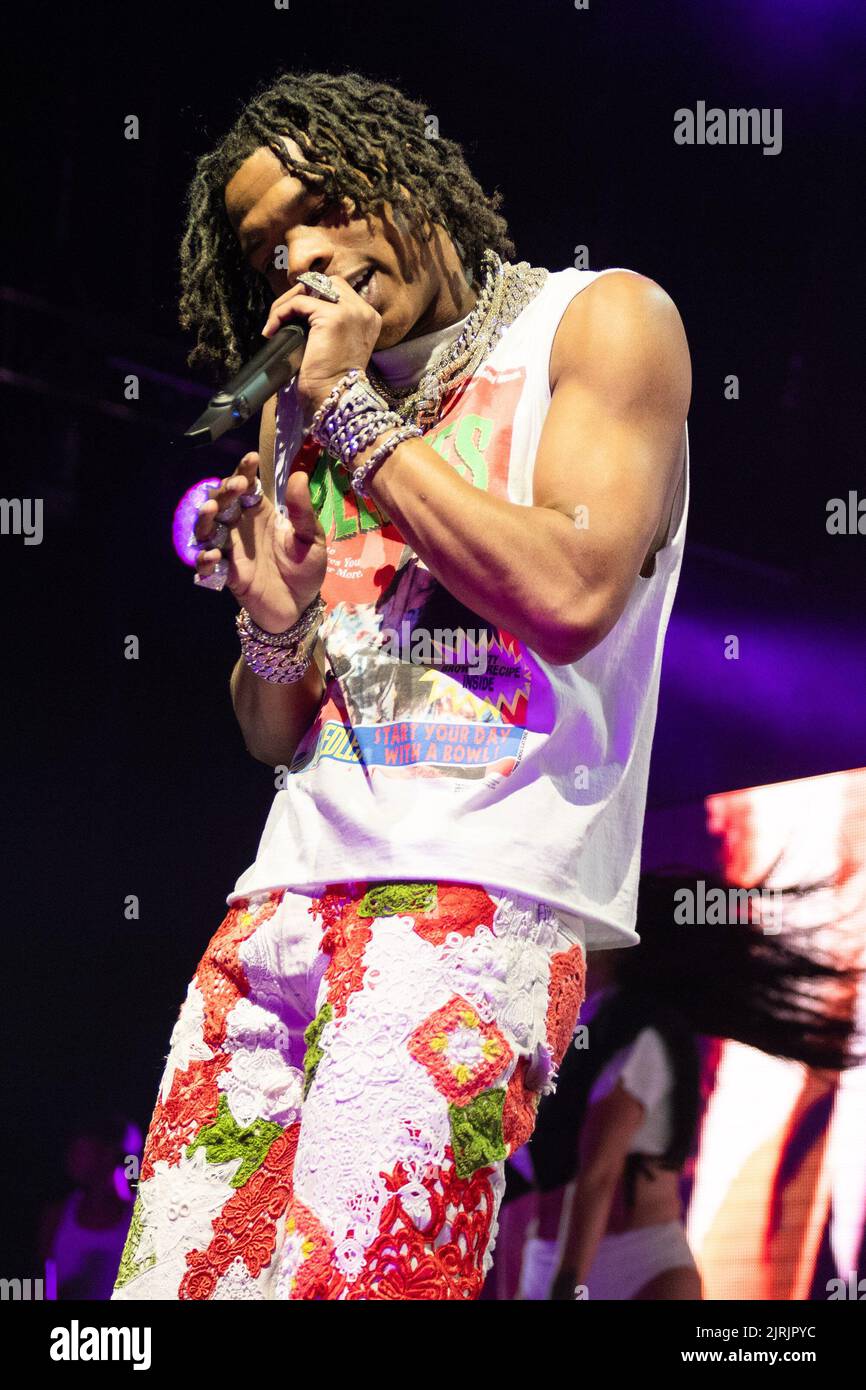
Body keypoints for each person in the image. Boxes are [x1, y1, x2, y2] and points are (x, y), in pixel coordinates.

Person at [112, 69, 691, 1301]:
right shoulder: (302, 420)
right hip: (276, 900)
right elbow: (277, 729)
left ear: (408, 176)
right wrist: (274, 629)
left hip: (470, 899)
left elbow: (573, 592)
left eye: (323, 205)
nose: (302, 254)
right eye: (269, 246)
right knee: (170, 1292)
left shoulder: (598, 322)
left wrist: (352, 417)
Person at [514, 871, 864, 1300]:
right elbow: (532, 1177)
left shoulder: (644, 1032)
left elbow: (599, 1172)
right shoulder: (581, 1032)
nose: (574, 947)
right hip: (552, 1259)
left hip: (637, 1265)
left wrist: (566, 1285)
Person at [38, 1111, 140, 1300]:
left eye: (81, 1151)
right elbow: (46, 1288)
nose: (71, 1157)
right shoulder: (57, 1214)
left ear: (107, 1154)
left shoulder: (142, 1217)